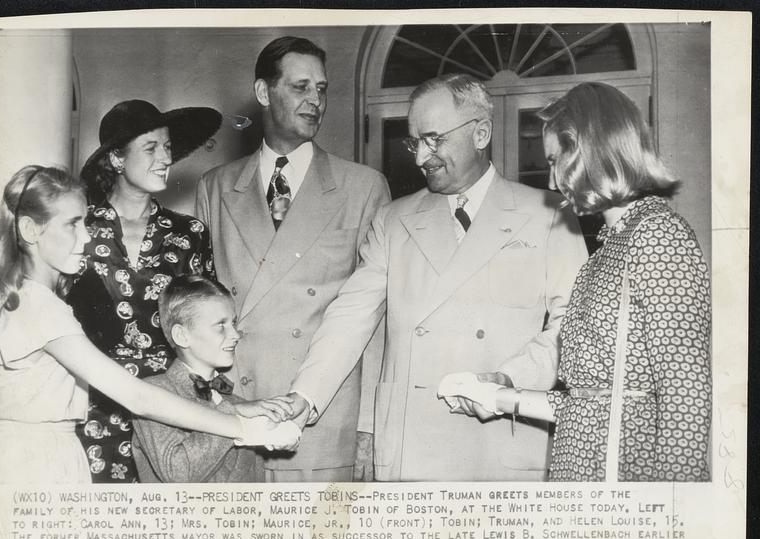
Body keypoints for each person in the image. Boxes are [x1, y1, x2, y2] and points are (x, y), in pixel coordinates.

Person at [284, 73, 589, 482]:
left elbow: (572, 328)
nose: (419, 158)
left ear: (481, 133)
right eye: (414, 142)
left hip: (501, 442)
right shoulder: (393, 220)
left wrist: (511, 380)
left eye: (434, 139)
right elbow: (349, 318)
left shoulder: (549, 214)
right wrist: (306, 396)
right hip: (414, 446)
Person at [446, 82, 712, 482]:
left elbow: (685, 394)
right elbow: (587, 404)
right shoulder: (604, 251)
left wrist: (672, 510)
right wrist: (499, 397)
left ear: (594, 150)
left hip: (626, 480)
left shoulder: (658, 236)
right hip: (579, 469)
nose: (553, 183)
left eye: (556, 162)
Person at [0, 166, 301, 484]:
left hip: (47, 454)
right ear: (29, 230)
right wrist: (245, 428)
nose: (86, 236)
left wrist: (237, 410)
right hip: (36, 464)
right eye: (72, 224)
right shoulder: (40, 307)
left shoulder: (36, 299)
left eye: (84, 222)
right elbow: (140, 398)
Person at [196, 36, 390, 483]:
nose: (315, 101)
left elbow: (375, 320)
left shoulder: (362, 186)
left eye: (321, 89)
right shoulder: (215, 186)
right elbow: (201, 306)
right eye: (301, 87)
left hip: (323, 418)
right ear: (264, 93)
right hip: (235, 413)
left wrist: (367, 427)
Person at [65, 99, 227, 483]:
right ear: (117, 160)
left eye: (168, 147)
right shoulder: (78, 230)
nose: (165, 158)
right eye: (151, 147)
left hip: (172, 408)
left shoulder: (190, 234)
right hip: (93, 405)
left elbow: (206, 324)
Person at [132, 275, 297, 483]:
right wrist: (234, 415)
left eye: (234, 323)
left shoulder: (238, 402)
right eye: (221, 325)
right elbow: (178, 473)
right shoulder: (154, 393)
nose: (236, 334)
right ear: (182, 336)